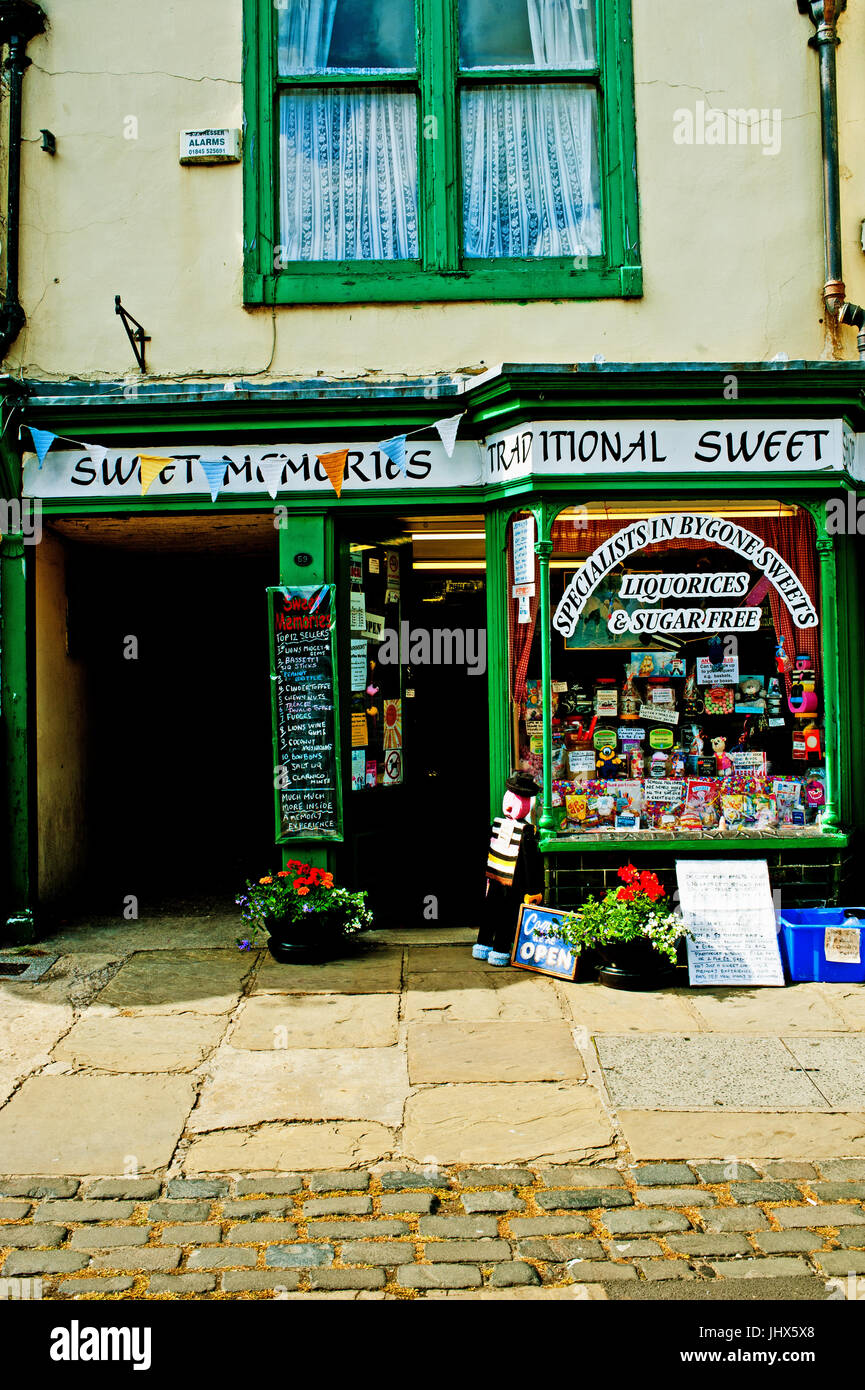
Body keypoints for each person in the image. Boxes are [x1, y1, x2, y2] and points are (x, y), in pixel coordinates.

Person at [473, 772, 544, 966]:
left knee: (490, 910)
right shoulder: (527, 832)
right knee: (507, 914)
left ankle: (483, 944)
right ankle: (500, 950)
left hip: (495, 874)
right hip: (513, 881)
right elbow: (530, 863)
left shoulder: (497, 824)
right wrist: (533, 889)